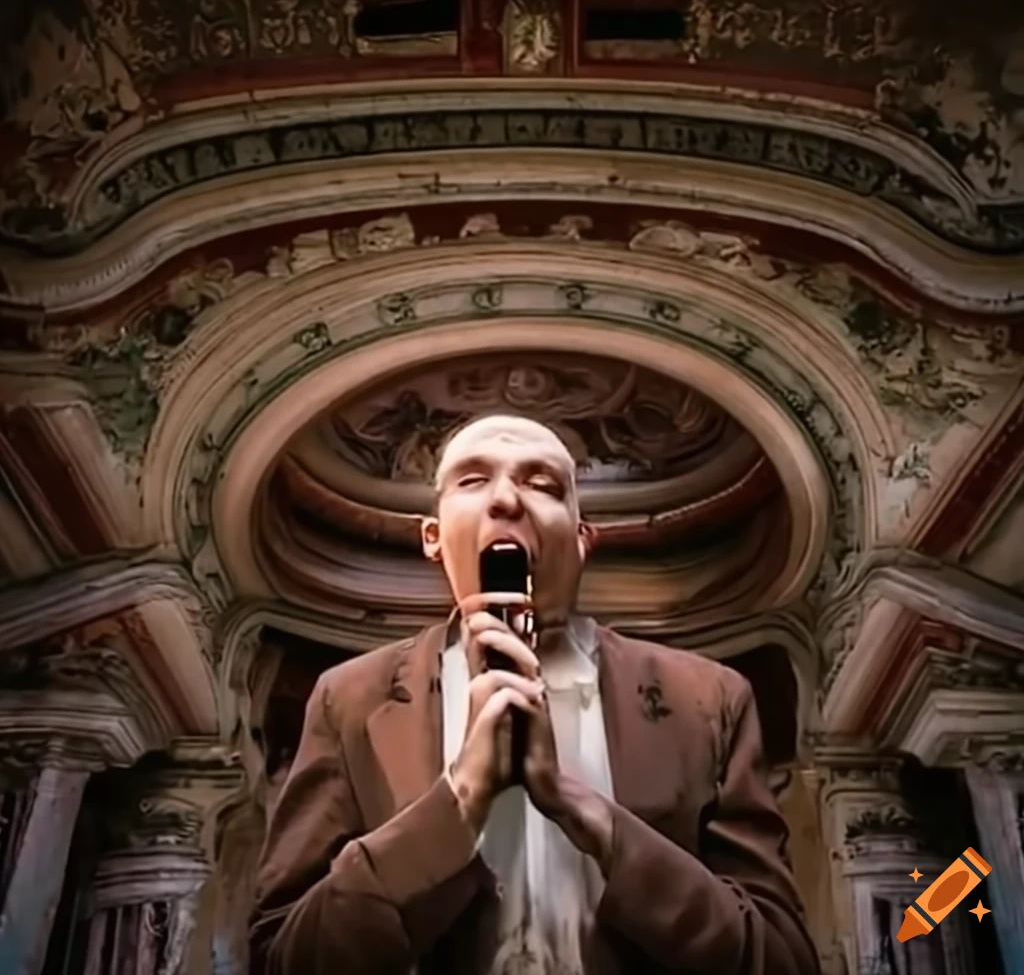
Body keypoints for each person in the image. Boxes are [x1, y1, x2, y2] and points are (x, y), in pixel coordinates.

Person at [249, 414, 820, 975]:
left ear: (581, 537)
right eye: (474, 481)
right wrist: (461, 799)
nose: (506, 501)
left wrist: (583, 808)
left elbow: (781, 957)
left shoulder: (708, 698)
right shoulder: (349, 699)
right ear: (432, 537)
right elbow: (281, 958)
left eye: (542, 485)